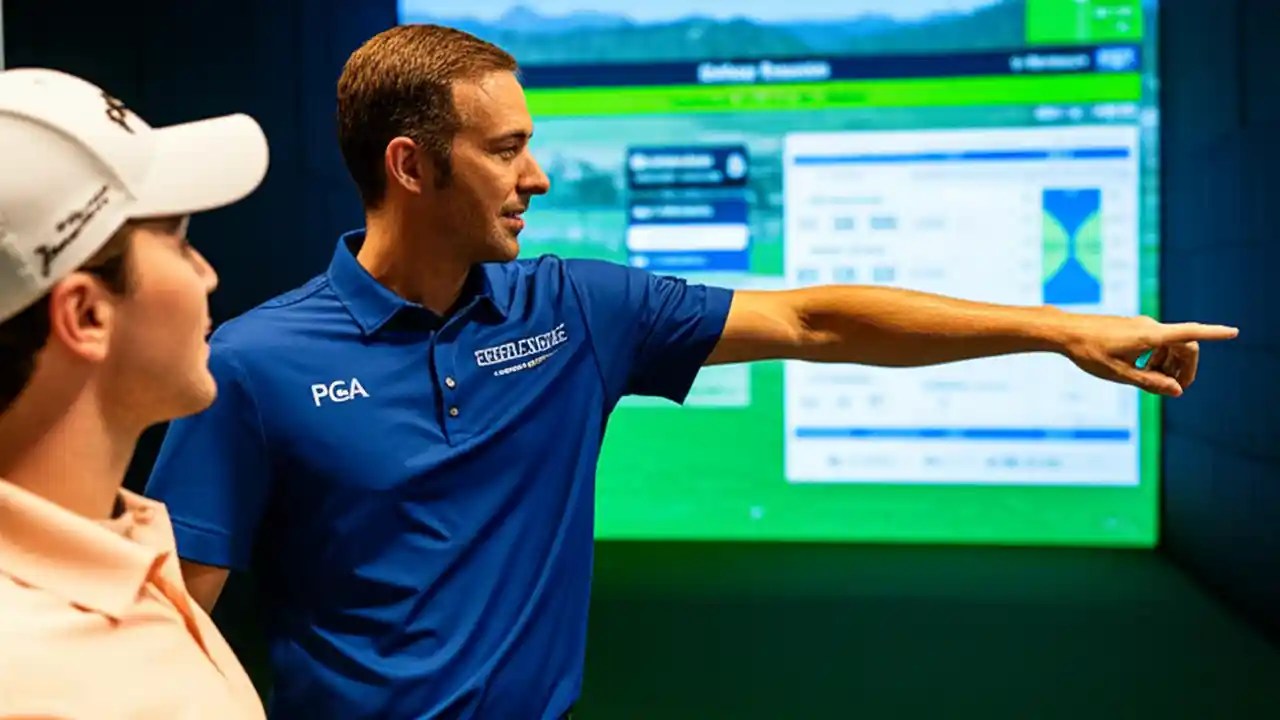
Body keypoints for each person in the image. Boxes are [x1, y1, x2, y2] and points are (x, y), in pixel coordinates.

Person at [143, 24, 1237, 720]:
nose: (538, 174)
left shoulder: (573, 309)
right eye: (505, 148)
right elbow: (178, 621)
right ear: (410, 165)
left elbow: (815, 321)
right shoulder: (253, 364)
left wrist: (1061, 329)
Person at [0, 68, 270, 718]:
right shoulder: (32, 674)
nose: (207, 273)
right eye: (177, 240)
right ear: (87, 315)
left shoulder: (122, 543)